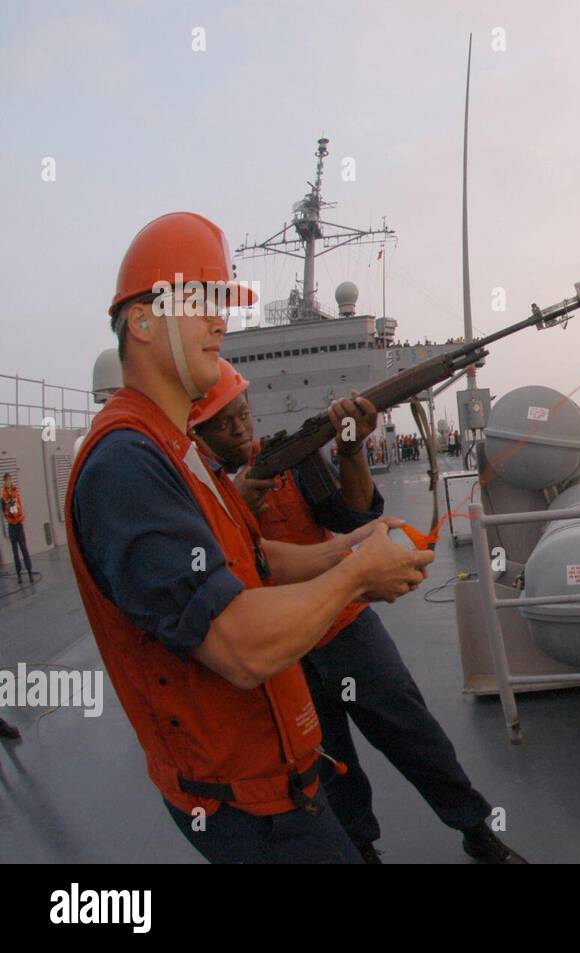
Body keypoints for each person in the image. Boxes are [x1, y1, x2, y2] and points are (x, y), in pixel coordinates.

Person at [68, 211, 435, 864]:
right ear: (143, 322)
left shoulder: (176, 450)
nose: (220, 322)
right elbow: (237, 646)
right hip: (245, 806)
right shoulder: (126, 463)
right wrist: (357, 575)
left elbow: (253, 559)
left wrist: (349, 545)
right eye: (200, 302)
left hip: (279, 774)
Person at [190, 360, 524, 863]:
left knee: (413, 733)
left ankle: (474, 827)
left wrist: (350, 450)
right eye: (223, 423)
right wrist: (235, 512)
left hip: (344, 626)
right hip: (281, 648)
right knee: (327, 762)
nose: (240, 429)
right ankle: (362, 849)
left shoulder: (288, 462)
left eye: (243, 414)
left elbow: (356, 514)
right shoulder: (200, 496)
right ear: (197, 434)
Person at [2, 473, 34, 583]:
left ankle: (29, 571)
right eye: (7, 480)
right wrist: (8, 506)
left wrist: (18, 514)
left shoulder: (16, 493)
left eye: (10, 479)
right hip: (12, 526)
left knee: (24, 549)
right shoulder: (3, 496)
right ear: (4, 482)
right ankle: (19, 573)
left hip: (19, 524)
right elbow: (4, 512)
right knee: (15, 551)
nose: (9, 482)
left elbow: (19, 505)